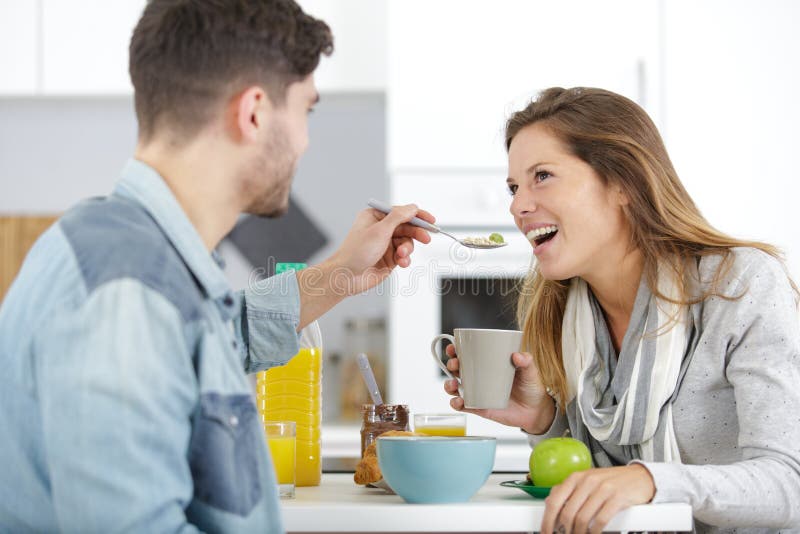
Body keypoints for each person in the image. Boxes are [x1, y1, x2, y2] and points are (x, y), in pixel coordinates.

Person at [0, 1, 432, 532]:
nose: (305, 140)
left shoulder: (134, 253)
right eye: (306, 111)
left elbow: (223, 335)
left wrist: (340, 273)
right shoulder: (127, 294)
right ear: (253, 113)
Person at [444, 87, 800, 533]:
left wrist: (649, 481)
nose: (517, 205)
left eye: (542, 176)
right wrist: (543, 420)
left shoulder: (738, 284)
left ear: (622, 184)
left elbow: (790, 484)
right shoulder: (563, 309)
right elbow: (594, 490)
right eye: (515, 187)